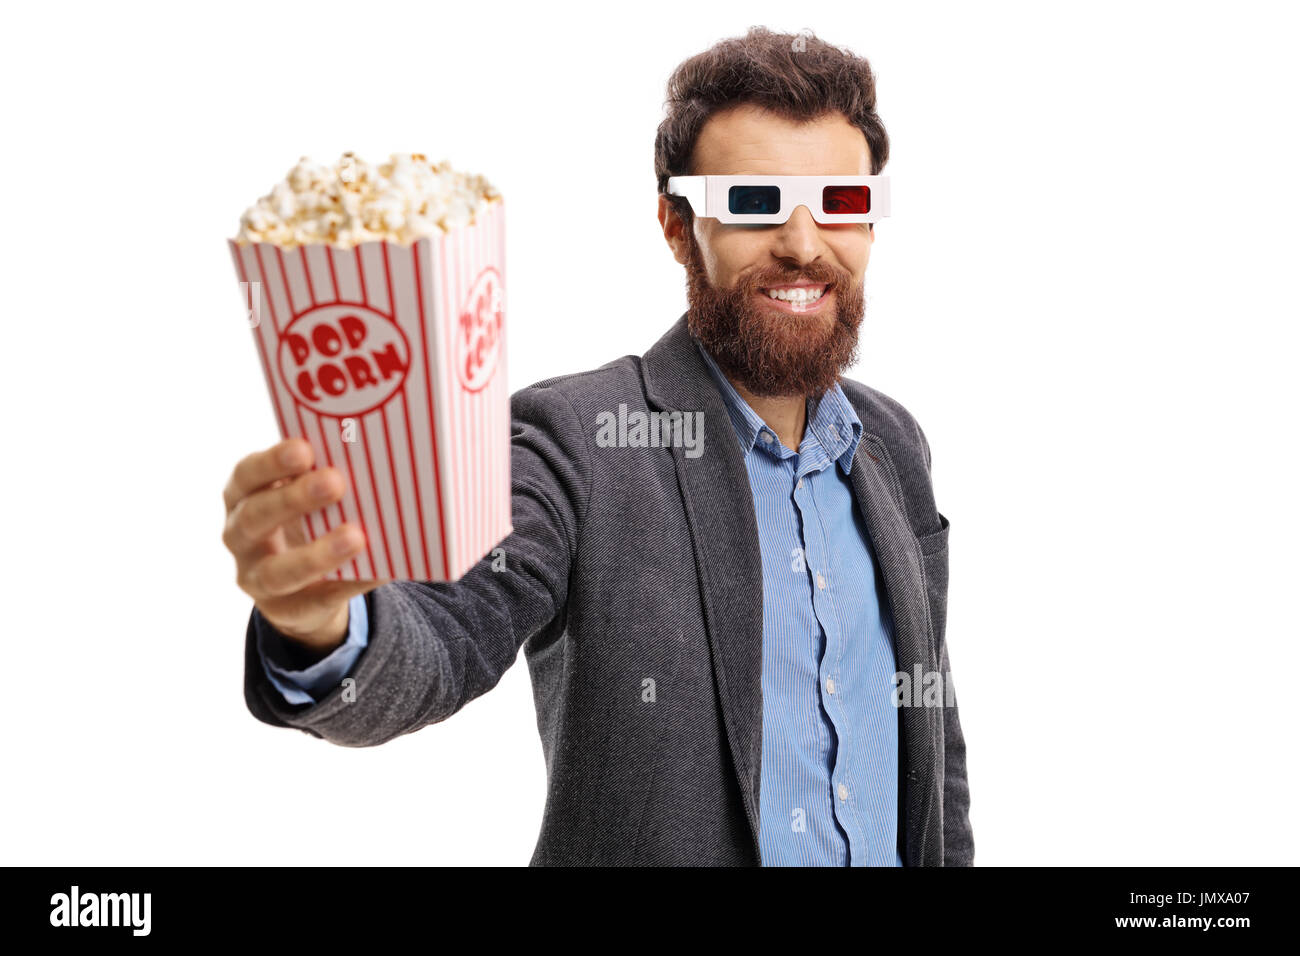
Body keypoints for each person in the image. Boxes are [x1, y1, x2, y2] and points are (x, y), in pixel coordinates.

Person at [221, 25, 973, 866]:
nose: (803, 244)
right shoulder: (576, 442)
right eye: (753, 203)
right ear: (675, 224)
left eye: (840, 202)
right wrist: (324, 624)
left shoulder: (894, 446)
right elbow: (444, 633)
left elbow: (931, 739)